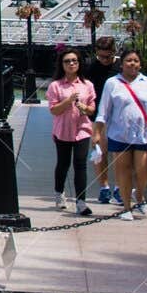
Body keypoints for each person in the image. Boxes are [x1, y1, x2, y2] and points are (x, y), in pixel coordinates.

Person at [93, 47, 147, 220]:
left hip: (143, 135)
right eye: (129, 60)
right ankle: (126, 208)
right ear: (121, 64)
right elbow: (103, 111)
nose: (132, 64)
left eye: (136, 61)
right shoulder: (112, 83)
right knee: (123, 171)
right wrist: (97, 133)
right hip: (119, 134)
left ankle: (139, 196)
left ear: (140, 64)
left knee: (142, 171)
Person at [46, 48, 97, 216]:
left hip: (82, 129)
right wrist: (68, 101)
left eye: (74, 60)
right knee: (63, 163)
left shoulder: (87, 85)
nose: (71, 63)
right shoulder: (56, 86)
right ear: (62, 64)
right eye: (67, 61)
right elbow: (54, 110)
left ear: (79, 63)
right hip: (63, 130)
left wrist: (84, 107)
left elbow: (92, 109)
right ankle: (59, 192)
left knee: (80, 164)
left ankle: (81, 202)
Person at [83, 37, 121, 204]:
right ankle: (104, 187)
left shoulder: (121, 66)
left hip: (120, 115)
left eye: (108, 56)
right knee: (99, 152)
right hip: (98, 115)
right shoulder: (92, 67)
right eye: (101, 56)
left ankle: (120, 187)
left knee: (120, 154)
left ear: (114, 52)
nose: (104, 60)